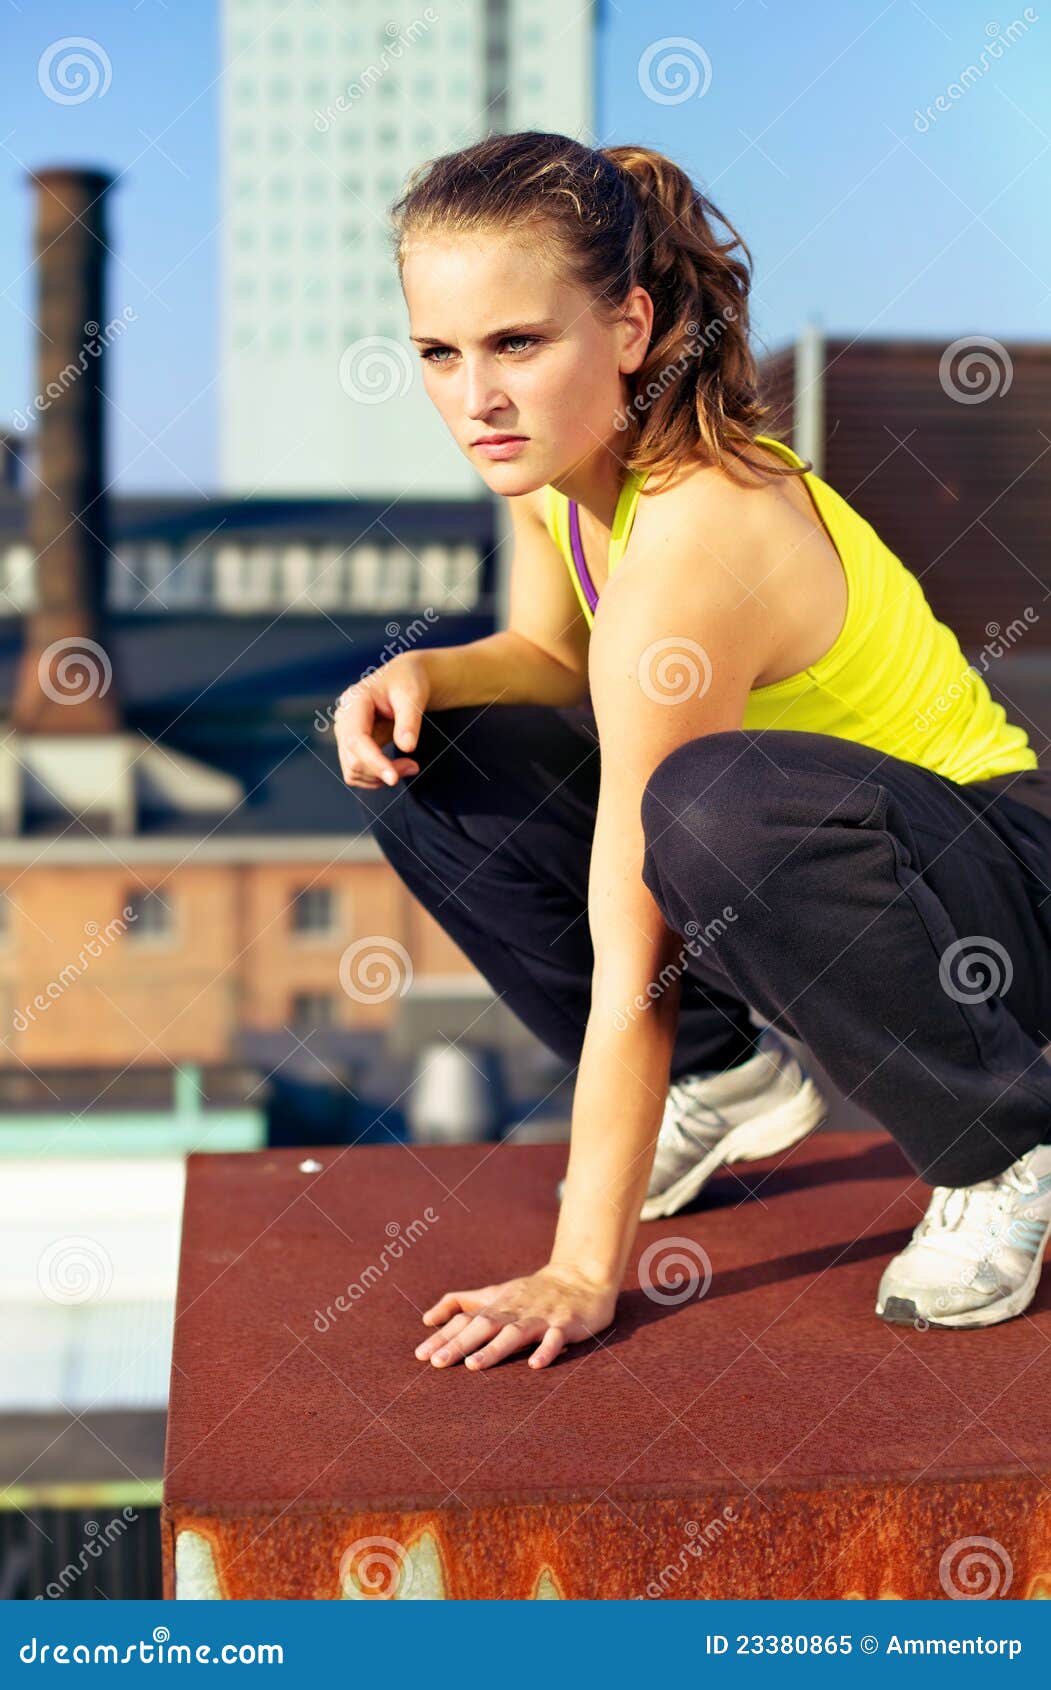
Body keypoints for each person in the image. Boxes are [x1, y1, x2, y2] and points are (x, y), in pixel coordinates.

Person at [334, 131, 1051, 1369]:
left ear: (629, 325)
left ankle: (1004, 1146)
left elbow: (634, 961)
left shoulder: (693, 541)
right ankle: (723, 1082)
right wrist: (430, 674)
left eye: (516, 344)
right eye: (439, 355)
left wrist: (578, 1268)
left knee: (707, 803)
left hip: (1000, 903)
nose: (475, 400)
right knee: (431, 761)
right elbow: (557, 660)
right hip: (862, 867)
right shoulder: (559, 468)